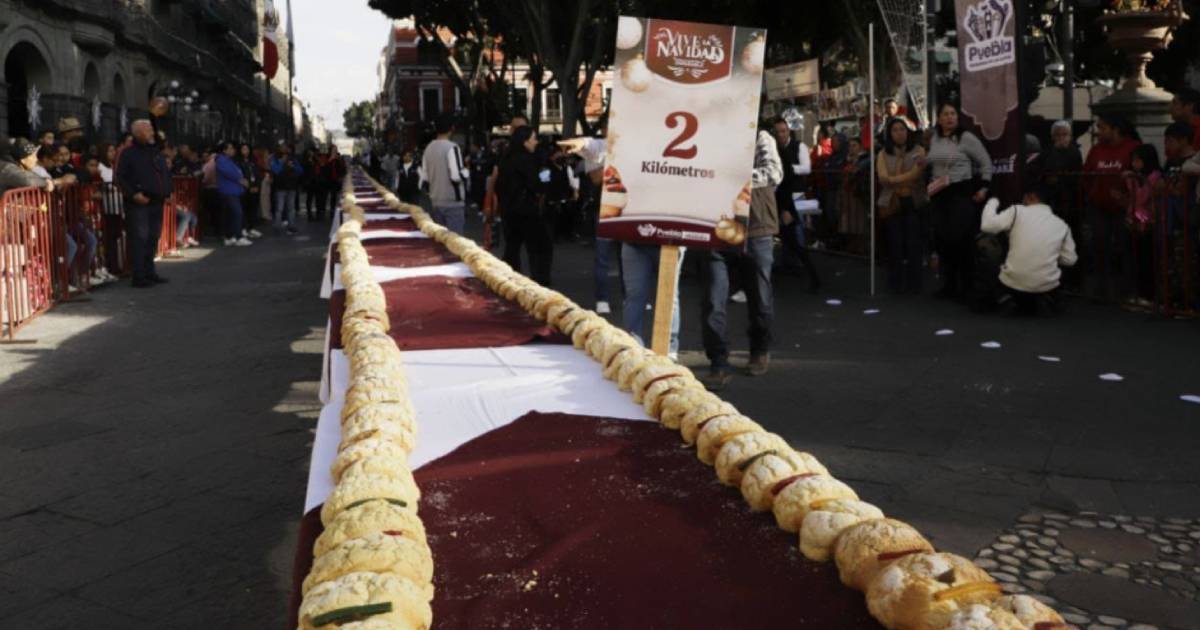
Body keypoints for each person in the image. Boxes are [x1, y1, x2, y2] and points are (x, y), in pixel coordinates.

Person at [700, 129, 783, 391]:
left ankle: (759, 349)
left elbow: (773, 173)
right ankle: (718, 361)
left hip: (756, 226)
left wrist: (728, 178)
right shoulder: (706, 136)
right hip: (716, 224)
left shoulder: (760, 136)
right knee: (714, 298)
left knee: (759, 294)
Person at [979, 177, 1077, 316]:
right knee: (1056, 269)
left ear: (1031, 197)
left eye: (1024, 197)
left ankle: (1003, 299)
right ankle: (1047, 298)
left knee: (985, 255)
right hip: (1046, 284)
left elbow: (987, 226)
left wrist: (992, 201)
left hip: (1013, 282)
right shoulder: (1062, 225)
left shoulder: (1017, 211)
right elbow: (1070, 260)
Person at [926, 102, 994, 300]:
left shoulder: (966, 137)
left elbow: (985, 162)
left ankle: (967, 287)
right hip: (940, 194)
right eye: (945, 114)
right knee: (943, 240)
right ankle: (949, 285)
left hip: (960, 193)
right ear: (938, 118)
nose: (950, 118)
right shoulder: (935, 138)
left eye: (953, 114)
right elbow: (933, 161)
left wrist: (984, 186)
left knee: (961, 240)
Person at [1082, 113, 1140, 298]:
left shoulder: (1133, 148)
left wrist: (1127, 197)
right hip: (1099, 207)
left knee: (1126, 247)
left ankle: (1128, 290)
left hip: (1124, 207)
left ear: (1116, 130)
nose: (1098, 131)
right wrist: (1091, 195)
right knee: (1099, 245)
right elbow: (1087, 175)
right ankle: (1102, 289)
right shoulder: (1096, 150)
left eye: (1102, 127)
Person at [115, 119, 172, 288]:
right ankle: (139, 276)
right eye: (148, 131)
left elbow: (164, 172)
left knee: (153, 237)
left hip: (156, 200)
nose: (151, 134)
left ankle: (150, 271)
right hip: (139, 201)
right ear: (138, 133)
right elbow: (120, 177)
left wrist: (168, 191)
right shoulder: (127, 153)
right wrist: (133, 194)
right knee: (139, 238)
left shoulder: (154, 151)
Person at [877, 117, 929, 294]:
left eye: (902, 129)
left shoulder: (919, 150)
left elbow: (916, 174)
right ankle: (895, 282)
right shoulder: (883, 153)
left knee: (913, 243)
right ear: (890, 134)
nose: (900, 133)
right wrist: (895, 181)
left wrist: (893, 180)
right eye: (895, 130)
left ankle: (915, 283)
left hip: (913, 201)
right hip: (892, 202)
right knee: (895, 244)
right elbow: (882, 177)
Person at [496, 126, 553, 285]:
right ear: (525, 141)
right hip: (526, 211)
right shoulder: (527, 160)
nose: (536, 142)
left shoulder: (506, 158)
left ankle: (511, 283)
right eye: (533, 138)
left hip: (508, 211)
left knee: (512, 249)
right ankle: (540, 283)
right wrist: (546, 175)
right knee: (540, 248)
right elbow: (537, 185)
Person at [772, 117, 821, 290]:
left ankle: (805, 269)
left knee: (796, 232)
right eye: (778, 132)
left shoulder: (798, 146)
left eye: (783, 131)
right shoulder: (775, 150)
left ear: (789, 131)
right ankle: (790, 264)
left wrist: (789, 169)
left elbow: (806, 168)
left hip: (796, 193)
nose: (781, 135)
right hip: (783, 196)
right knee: (788, 235)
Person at [1122, 144, 1163, 310]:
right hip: (1135, 220)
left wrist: (1132, 178)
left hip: (1148, 221)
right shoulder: (1136, 177)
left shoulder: (1154, 177)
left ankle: (1149, 296)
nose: (1134, 163)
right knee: (1137, 259)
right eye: (1132, 160)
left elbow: (1142, 197)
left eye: (1137, 160)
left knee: (1148, 260)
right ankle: (1139, 294)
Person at [422, 113, 469, 234]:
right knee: (456, 243)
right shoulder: (452, 147)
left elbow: (425, 178)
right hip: (453, 201)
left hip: (436, 201)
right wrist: (466, 171)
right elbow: (456, 176)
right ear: (451, 128)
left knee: (440, 243)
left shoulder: (428, 148)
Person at [1042, 120, 1083, 223]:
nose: (1061, 138)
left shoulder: (1075, 152)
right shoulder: (1047, 151)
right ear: (1053, 137)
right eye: (1058, 135)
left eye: (1064, 134)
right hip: (1051, 196)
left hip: (1071, 197)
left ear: (1070, 136)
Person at [215, 141, 251, 247]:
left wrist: (241, 179)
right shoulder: (221, 160)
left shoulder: (228, 160)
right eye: (229, 148)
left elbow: (236, 172)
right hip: (228, 191)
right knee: (237, 213)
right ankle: (238, 236)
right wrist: (240, 179)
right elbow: (230, 172)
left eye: (233, 148)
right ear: (224, 150)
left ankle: (230, 236)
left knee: (231, 214)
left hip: (233, 190)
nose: (232, 150)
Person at [270, 142, 303, 234]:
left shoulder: (292, 158)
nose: (284, 149)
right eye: (282, 147)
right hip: (280, 187)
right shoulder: (275, 158)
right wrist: (282, 162)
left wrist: (294, 167)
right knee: (279, 208)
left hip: (291, 187)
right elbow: (275, 170)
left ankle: (291, 226)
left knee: (291, 208)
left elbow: (301, 170)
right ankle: (277, 227)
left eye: (286, 147)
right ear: (279, 148)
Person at [237, 143, 263, 239]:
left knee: (253, 209)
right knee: (244, 209)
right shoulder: (238, 162)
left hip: (254, 188)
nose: (245, 151)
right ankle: (244, 228)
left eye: (247, 149)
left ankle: (251, 228)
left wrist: (257, 186)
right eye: (243, 149)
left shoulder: (253, 161)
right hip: (244, 190)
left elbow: (258, 174)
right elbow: (240, 176)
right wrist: (248, 187)